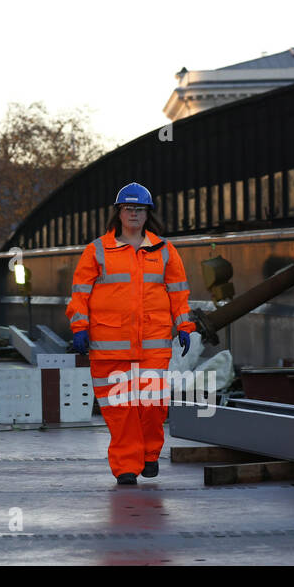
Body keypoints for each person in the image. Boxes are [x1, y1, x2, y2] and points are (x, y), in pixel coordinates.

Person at [64, 182, 196, 484]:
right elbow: (80, 294)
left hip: (153, 343)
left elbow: (179, 293)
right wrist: (80, 327)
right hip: (109, 345)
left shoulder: (165, 251)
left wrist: (185, 326)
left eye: (139, 209)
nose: (133, 214)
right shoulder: (96, 251)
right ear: (119, 213)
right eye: (128, 208)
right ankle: (126, 466)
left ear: (148, 213)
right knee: (120, 409)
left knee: (151, 406)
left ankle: (149, 455)